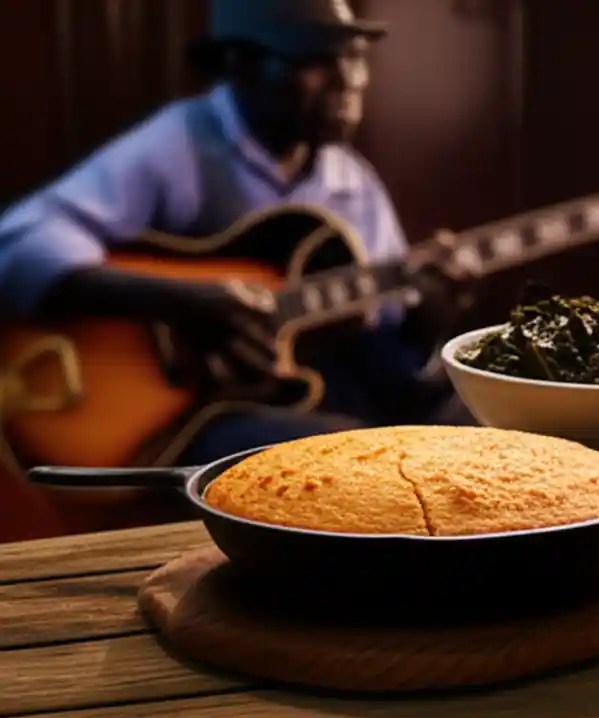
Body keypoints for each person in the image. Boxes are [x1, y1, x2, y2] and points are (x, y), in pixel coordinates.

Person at [0, 0, 472, 468]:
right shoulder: (179, 144)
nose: (349, 77)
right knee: (346, 455)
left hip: (320, 398)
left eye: (354, 55)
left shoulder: (353, 181)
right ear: (240, 64)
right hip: (193, 417)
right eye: (314, 57)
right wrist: (183, 302)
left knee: (481, 411)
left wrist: (425, 322)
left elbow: (384, 346)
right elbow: (19, 244)